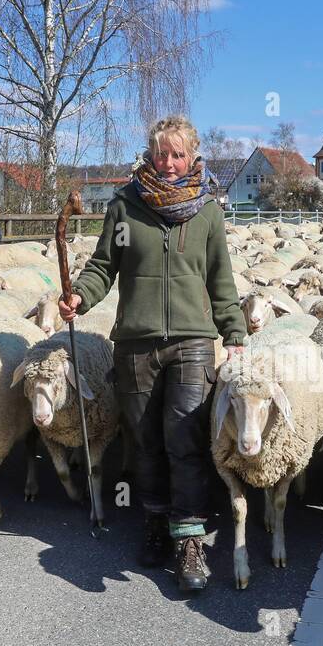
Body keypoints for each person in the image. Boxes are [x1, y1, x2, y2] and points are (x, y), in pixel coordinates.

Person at [58, 115, 246, 592]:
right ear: (150, 154)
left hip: (192, 340)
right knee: (144, 441)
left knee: (184, 437)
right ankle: (156, 522)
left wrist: (234, 332)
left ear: (192, 157)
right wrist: (80, 294)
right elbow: (104, 266)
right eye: (160, 153)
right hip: (136, 342)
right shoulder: (125, 206)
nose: (167, 162)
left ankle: (189, 539)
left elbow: (220, 279)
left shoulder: (207, 212)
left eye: (177, 154)